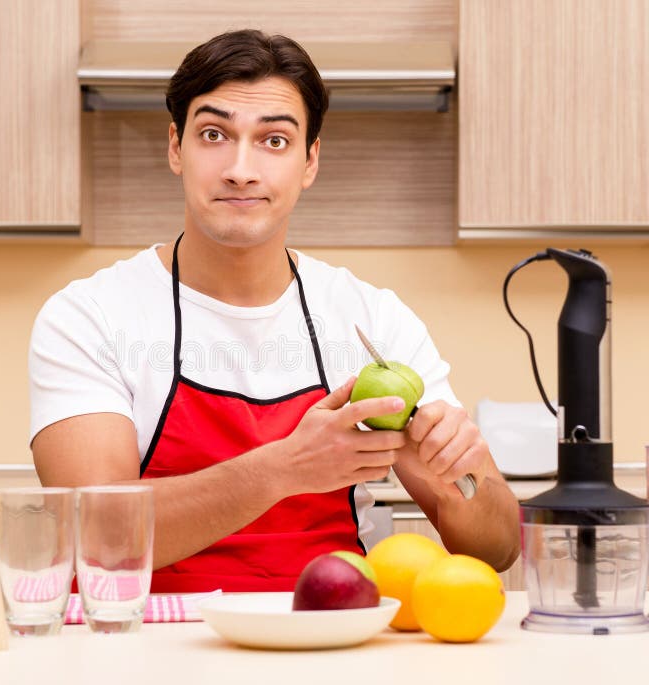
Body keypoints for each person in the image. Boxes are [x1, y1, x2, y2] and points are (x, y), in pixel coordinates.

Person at [29, 29, 520, 592]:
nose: (242, 168)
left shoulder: (372, 320)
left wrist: (468, 472)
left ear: (310, 161)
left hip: (327, 639)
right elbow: (99, 535)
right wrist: (286, 467)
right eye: (214, 134)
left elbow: (498, 548)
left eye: (275, 141)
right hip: (142, 649)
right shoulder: (88, 317)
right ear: (175, 147)